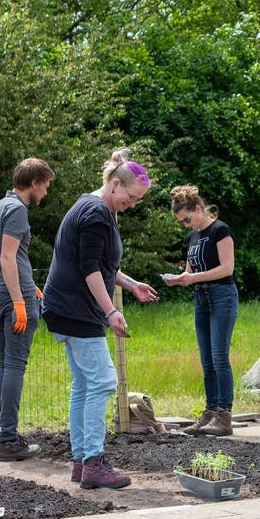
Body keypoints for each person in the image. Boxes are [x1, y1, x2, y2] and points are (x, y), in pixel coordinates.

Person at [42, 149, 159, 489]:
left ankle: (82, 462)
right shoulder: (95, 214)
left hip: (64, 308)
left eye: (137, 200)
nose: (132, 204)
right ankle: (93, 461)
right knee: (105, 382)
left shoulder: (97, 206)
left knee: (84, 384)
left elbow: (105, 265)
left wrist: (131, 284)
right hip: (77, 310)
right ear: (112, 184)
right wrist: (111, 311)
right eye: (130, 197)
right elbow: (89, 269)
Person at [0, 158, 54, 462]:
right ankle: (9, 440)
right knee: (15, 367)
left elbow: (13, 259)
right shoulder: (18, 210)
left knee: (4, 366)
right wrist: (20, 300)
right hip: (12, 297)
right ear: (34, 182)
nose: (46, 193)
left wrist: (31, 285)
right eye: (46, 186)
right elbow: (7, 257)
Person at [163, 185, 239, 436]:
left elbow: (227, 268)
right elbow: (190, 271)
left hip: (222, 296)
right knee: (206, 361)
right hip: (201, 298)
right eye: (182, 222)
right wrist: (178, 279)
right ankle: (210, 411)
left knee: (219, 357)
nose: (186, 225)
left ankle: (224, 415)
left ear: (198, 208)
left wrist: (193, 279)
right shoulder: (192, 236)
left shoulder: (220, 230)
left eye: (187, 219)